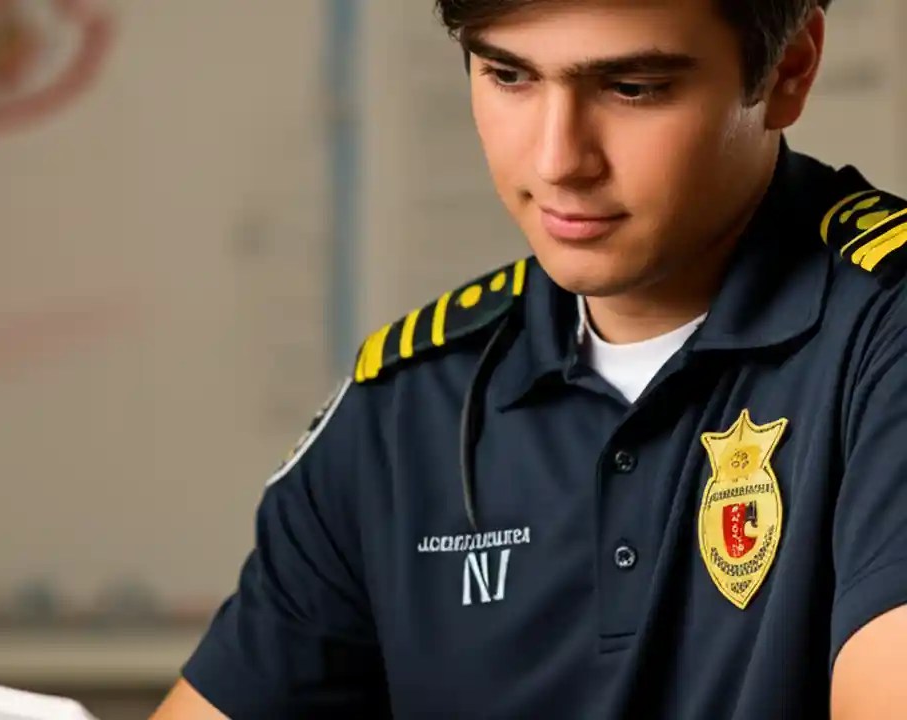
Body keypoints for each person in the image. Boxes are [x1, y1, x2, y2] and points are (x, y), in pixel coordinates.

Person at [150, 0, 907, 717]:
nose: (556, 162)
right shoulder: (404, 404)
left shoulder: (886, 334)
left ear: (790, 69)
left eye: (632, 88)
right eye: (508, 76)